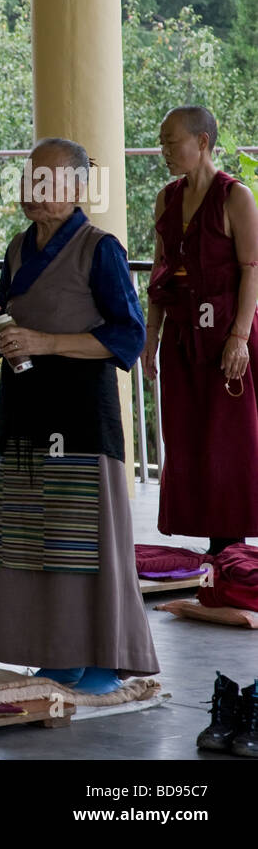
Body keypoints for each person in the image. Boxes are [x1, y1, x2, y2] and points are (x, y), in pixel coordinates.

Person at [0, 137, 159, 694]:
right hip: (25, 415)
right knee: (31, 541)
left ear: (76, 188)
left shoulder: (101, 249)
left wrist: (47, 342)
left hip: (79, 419)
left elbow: (128, 335)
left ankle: (100, 660)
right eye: (29, 177)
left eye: (45, 180)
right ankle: (55, 654)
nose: (32, 190)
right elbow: (10, 326)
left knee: (83, 547)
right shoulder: (19, 247)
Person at [145, 105, 258, 556]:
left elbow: (252, 270)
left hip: (227, 334)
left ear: (203, 142)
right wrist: (151, 333)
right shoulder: (166, 198)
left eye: (173, 142)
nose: (165, 151)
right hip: (180, 336)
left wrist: (240, 337)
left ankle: (233, 549)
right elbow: (160, 267)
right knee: (187, 435)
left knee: (230, 439)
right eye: (162, 143)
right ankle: (211, 548)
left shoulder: (236, 197)